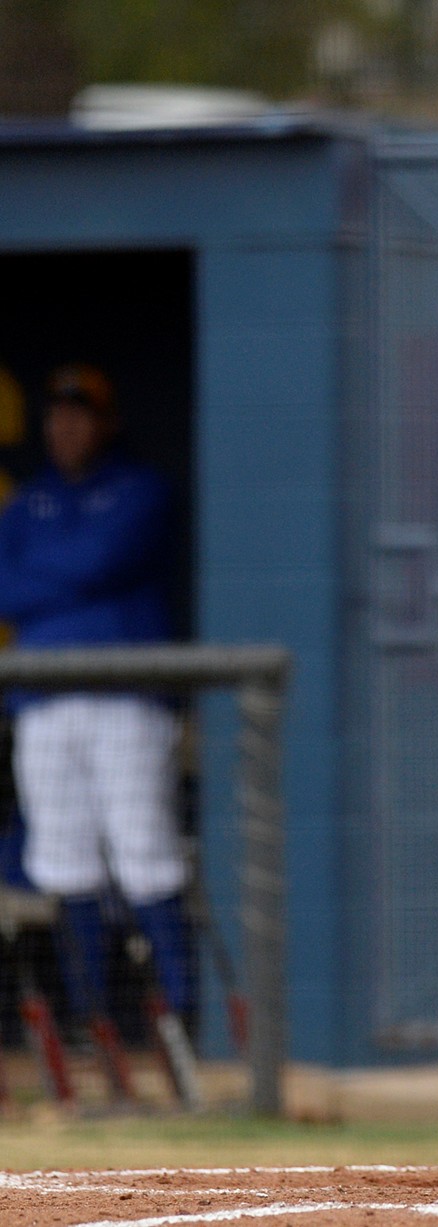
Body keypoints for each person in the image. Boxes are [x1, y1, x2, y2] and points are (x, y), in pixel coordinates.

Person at [0, 363, 193, 1038]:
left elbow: (104, 561)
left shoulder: (140, 488)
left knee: (144, 849)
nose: (66, 426)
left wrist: (48, 577)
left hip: (124, 699)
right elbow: (5, 588)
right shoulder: (26, 504)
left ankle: (177, 1010)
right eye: (56, 414)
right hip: (43, 702)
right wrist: (70, 578)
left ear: (107, 423)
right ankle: (93, 1021)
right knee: (62, 855)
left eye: (81, 414)